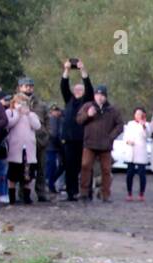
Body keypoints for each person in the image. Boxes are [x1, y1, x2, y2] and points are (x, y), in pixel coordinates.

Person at [77, 84, 123, 202]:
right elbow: (78, 120)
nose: (99, 97)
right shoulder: (88, 106)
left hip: (105, 146)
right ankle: (84, 193)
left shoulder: (112, 110)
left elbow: (120, 125)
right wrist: (88, 115)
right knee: (85, 167)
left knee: (106, 170)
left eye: (102, 95)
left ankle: (105, 195)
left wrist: (111, 137)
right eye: (97, 95)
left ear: (106, 97)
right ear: (94, 96)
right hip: (89, 144)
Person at [60, 60, 94, 201]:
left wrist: (82, 70)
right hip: (68, 140)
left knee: (85, 166)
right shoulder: (69, 100)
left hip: (83, 139)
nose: (78, 91)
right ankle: (71, 192)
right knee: (70, 167)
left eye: (80, 90)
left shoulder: (86, 100)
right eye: (76, 90)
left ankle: (86, 192)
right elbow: (63, 86)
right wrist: (67, 70)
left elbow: (89, 86)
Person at [16, 77, 51, 201]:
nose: (28, 88)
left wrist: (47, 135)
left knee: (41, 168)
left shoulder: (41, 104)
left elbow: (48, 121)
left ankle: (41, 192)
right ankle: (22, 193)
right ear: (20, 87)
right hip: (23, 141)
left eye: (30, 86)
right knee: (24, 168)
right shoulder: (16, 102)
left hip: (40, 140)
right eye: (25, 86)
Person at [5, 93, 42, 203]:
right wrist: (17, 113)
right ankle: (12, 197)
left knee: (28, 175)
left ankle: (27, 197)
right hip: (15, 149)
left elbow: (37, 126)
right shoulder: (9, 112)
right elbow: (9, 124)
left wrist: (28, 114)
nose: (21, 105)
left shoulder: (32, 115)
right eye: (18, 103)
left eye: (24, 103)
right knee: (12, 174)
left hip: (29, 149)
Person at [123, 107, 150, 200]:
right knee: (129, 174)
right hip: (131, 151)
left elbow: (147, 135)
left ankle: (141, 193)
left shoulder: (146, 124)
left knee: (142, 174)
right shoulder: (130, 124)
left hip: (141, 152)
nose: (138, 115)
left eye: (140, 114)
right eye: (137, 113)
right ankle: (129, 193)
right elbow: (125, 136)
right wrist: (128, 141)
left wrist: (143, 126)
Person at [44, 105, 64, 193]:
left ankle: (50, 183)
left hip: (53, 146)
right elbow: (54, 134)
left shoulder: (58, 119)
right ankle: (50, 184)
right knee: (52, 167)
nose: (56, 112)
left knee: (56, 167)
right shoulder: (53, 120)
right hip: (52, 146)